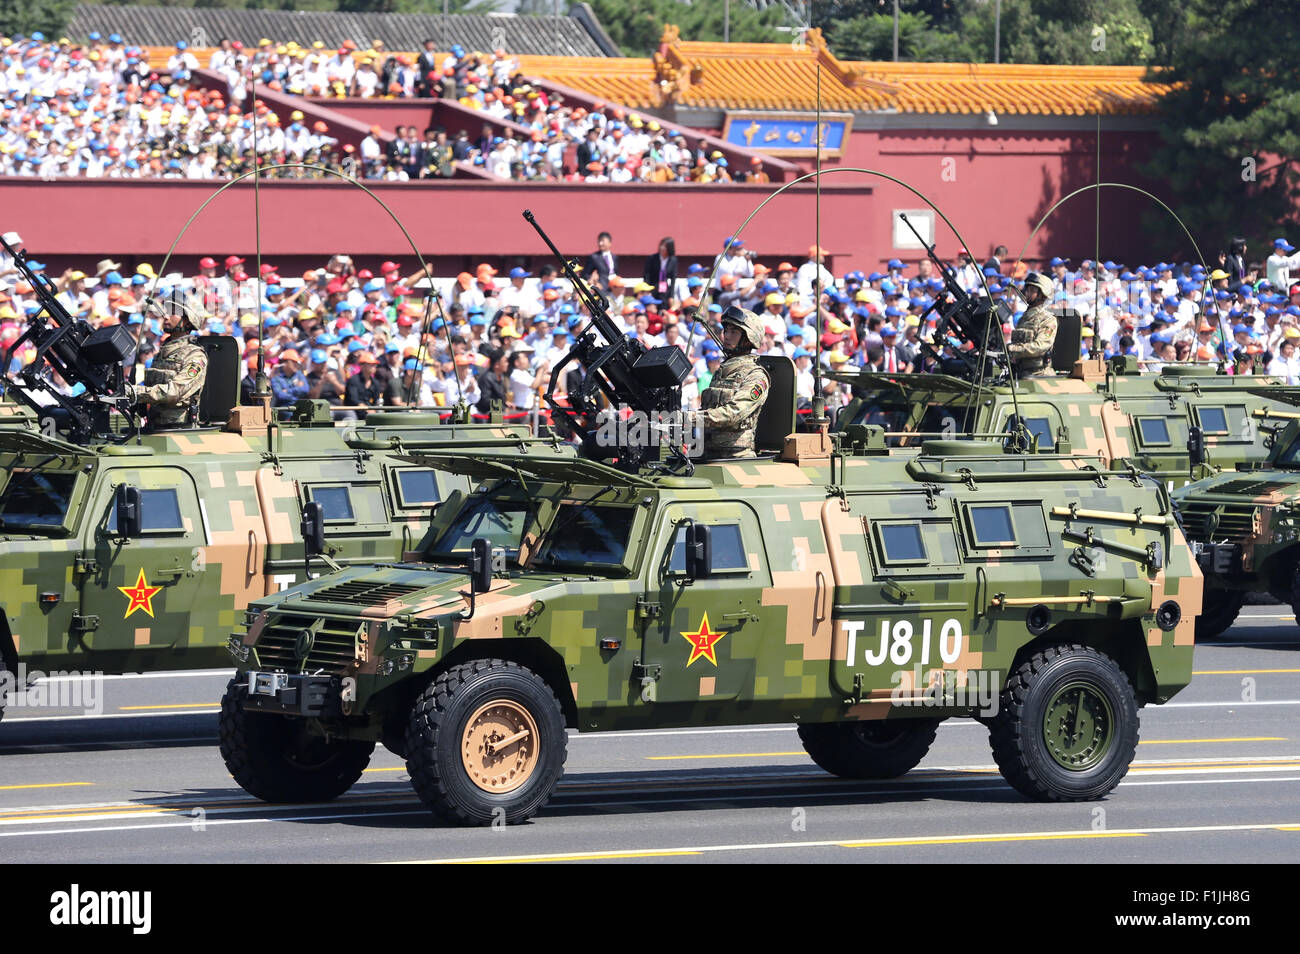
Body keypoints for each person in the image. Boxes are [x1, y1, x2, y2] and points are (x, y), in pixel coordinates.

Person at [694, 307, 770, 458]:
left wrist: (690, 418)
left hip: (737, 459)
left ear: (749, 338)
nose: (726, 336)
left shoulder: (756, 376)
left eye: (734, 332)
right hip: (708, 455)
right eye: (726, 331)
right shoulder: (723, 371)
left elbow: (734, 413)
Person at [124, 303, 208, 430]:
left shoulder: (195, 356)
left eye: (173, 313)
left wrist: (136, 392)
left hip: (180, 430)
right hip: (155, 425)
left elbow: (173, 392)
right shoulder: (163, 352)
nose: (166, 316)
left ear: (187, 322)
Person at [1006, 272, 1057, 376]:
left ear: (1042, 295)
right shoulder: (1024, 318)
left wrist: (1013, 349)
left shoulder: (1048, 320)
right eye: (1028, 290)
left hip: (1039, 375)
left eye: (1032, 291)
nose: (1027, 293)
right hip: (1021, 373)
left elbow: (1041, 346)